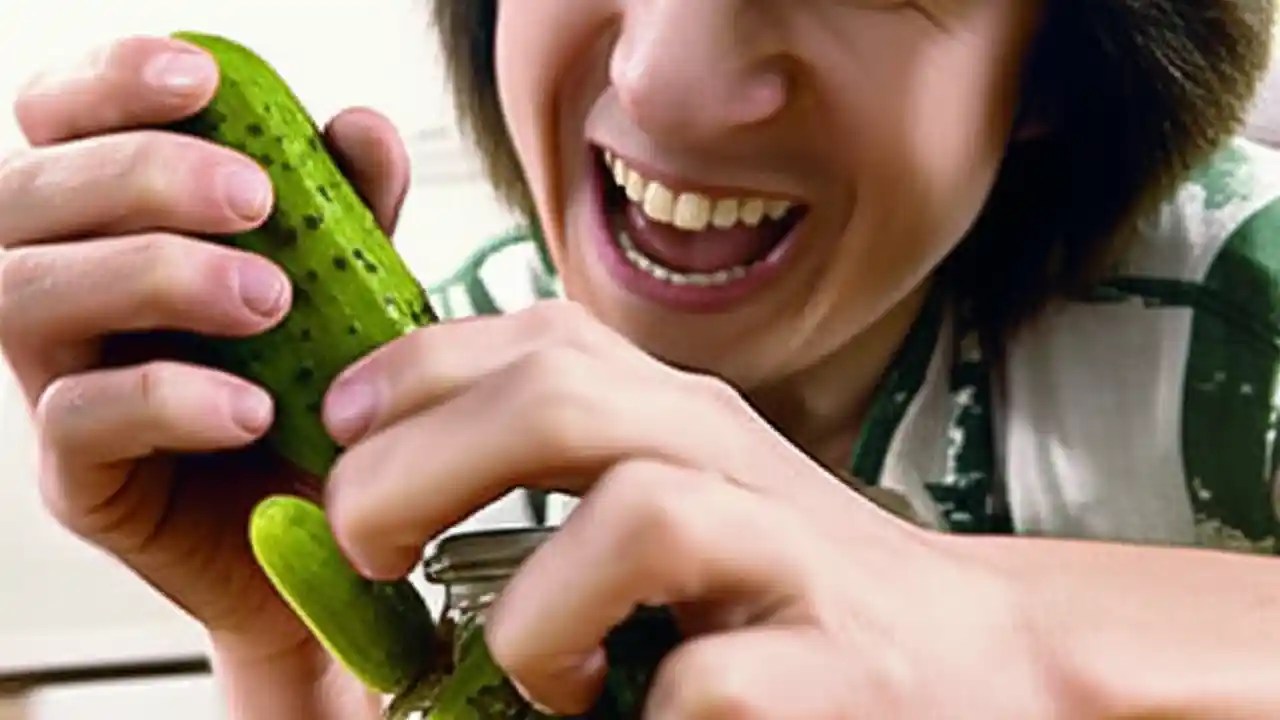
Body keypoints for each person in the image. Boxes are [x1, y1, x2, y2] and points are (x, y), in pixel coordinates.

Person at [3, 0, 1280, 716]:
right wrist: (289, 651)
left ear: (1056, 58)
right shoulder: (450, 373)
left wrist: (995, 628)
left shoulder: (1243, 304)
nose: (666, 82)